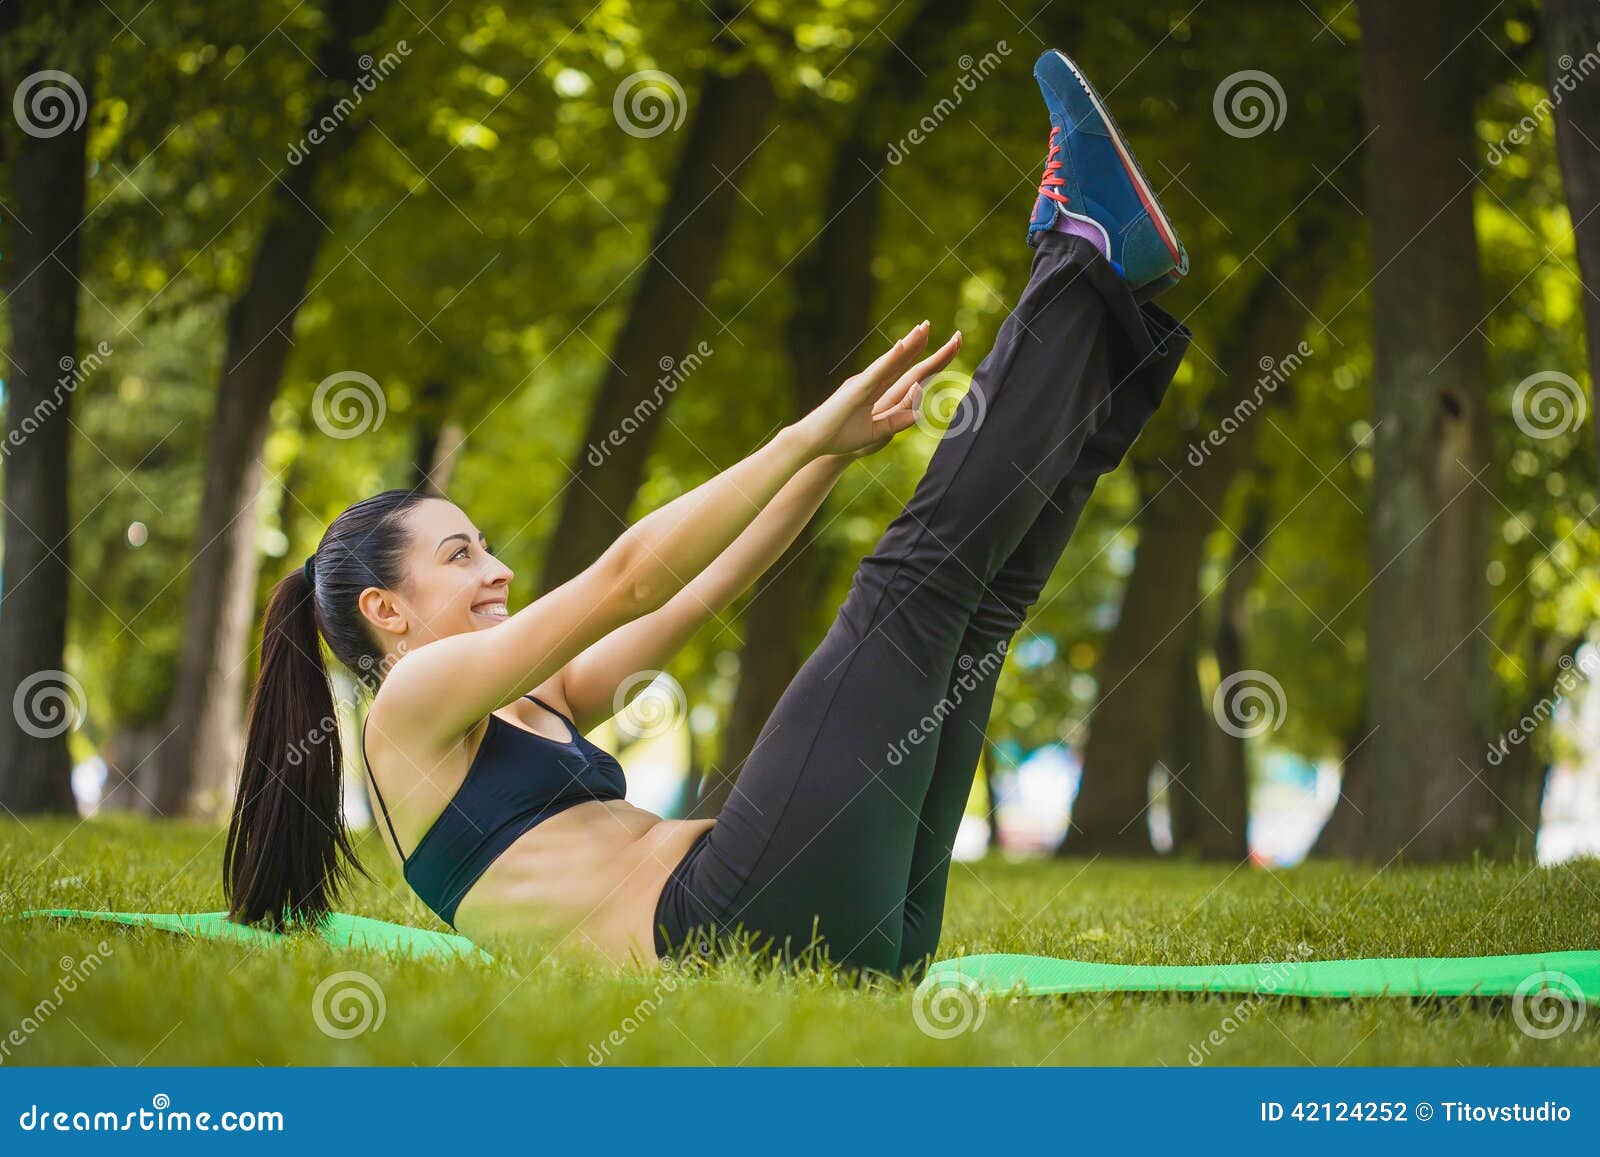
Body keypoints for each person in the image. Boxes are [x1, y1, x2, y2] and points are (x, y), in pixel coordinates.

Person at [223, 48, 1192, 976]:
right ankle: (1081, 255)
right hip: (732, 920)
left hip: (827, 919)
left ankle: (1109, 323)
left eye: (483, 548)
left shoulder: (537, 696)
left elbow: (707, 582)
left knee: (974, 616)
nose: (497, 569)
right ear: (384, 609)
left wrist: (827, 457)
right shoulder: (408, 707)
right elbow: (627, 576)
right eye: (460, 555)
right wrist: (799, 433)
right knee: (916, 587)